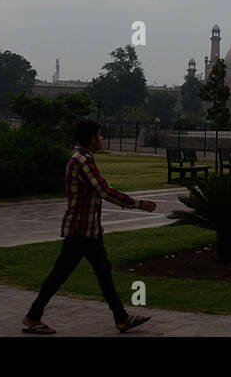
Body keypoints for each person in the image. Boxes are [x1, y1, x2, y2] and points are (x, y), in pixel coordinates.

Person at [21, 119, 157, 334]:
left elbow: (100, 191)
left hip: (90, 230)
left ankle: (121, 318)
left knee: (103, 273)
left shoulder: (85, 159)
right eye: (100, 135)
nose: (102, 138)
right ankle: (32, 316)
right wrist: (139, 204)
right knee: (61, 274)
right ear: (92, 138)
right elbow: (104, 191)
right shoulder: (82, 161)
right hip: (81, 230)